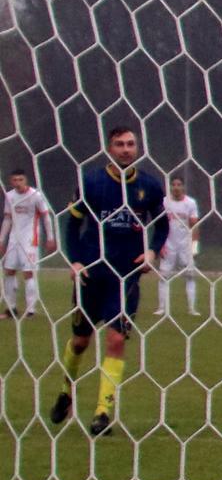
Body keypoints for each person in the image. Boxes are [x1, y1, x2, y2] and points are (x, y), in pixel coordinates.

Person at [52, 125, 168, 436]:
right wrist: (75, 260)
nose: (126, 149)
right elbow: (72, 224)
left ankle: (103, 413)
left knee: (116, 339)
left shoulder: (149, 186)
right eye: (120, 144)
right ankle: (66, 390)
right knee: (80, 341)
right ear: (109, 148)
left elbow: (162, 224)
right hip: (91, 272)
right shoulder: (90, 182)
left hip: (125, 275)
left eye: (131, 144)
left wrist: (152, 252)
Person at [0, 168, 55, 318]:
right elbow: (7, 218)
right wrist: (1, 240)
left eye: (20, 180)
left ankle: (31, 310)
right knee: (9, 271)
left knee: (29, 273)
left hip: (30, 240)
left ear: (26, 180)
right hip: (13, 240)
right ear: (11, 181)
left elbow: (46, 217)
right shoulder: (10, 196)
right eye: (15, 180)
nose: (18, 183)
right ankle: (10, 309)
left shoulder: (36, 195)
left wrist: (50, 237)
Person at [153, 174, 203, 317]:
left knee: (190, 276)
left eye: (179, 184)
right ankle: (162, 308)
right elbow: (158, 225)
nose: (176, 187)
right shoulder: (164, 202)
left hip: (185, 246)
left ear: (183, 186)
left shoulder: (190, 203)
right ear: (169, 186)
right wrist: (160, 245)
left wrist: (194, 248)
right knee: (164, 276)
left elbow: (194, 226)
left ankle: (192, 309)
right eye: (173, 184)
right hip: (168, 245)